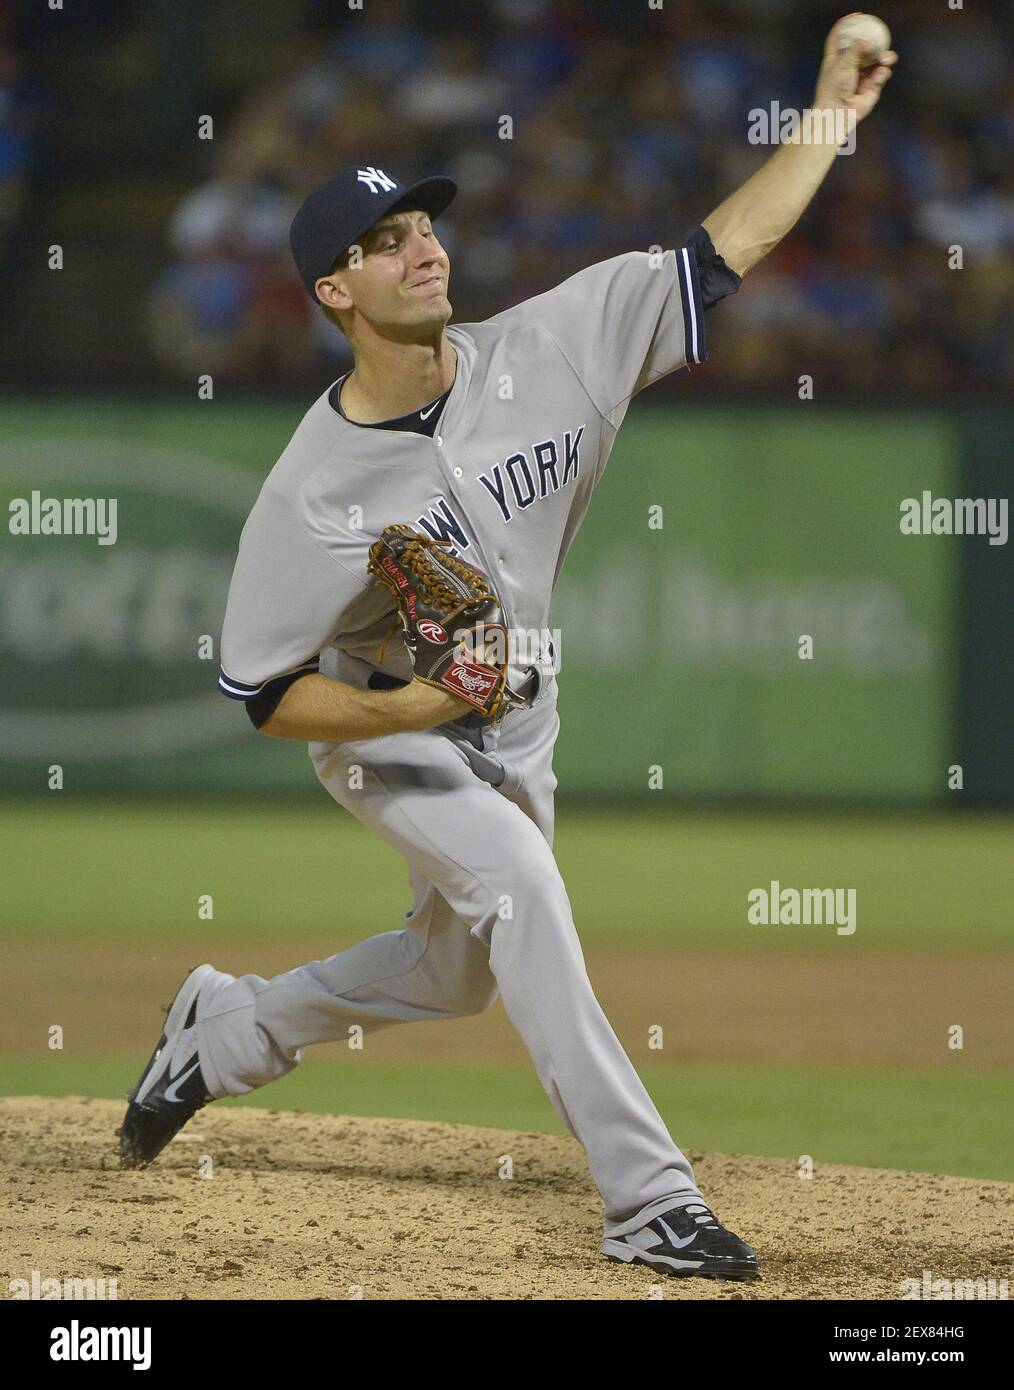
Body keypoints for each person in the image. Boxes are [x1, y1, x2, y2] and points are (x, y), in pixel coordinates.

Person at [120, 20, 896, 1283]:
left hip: (520, 718)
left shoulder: (555, 346)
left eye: (422, 224)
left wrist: (831, 112)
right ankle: (650, 1202)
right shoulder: (310, 496)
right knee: (525, 894)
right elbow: (265, 694)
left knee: (455, 973)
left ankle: (227, 1030)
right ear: (334, 292)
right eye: (382, 242)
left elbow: (727, 246)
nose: (421, 245)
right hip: (392, 732)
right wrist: (410, 706)